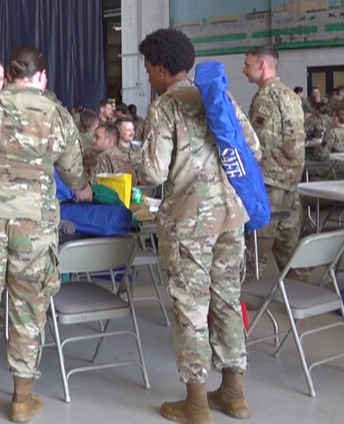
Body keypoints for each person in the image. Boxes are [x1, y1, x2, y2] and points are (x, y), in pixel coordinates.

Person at [0, 45, 91, 423]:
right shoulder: (57, 114)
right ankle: (22, 401)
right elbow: (75, 176)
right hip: (35, 222)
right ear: (42, 76)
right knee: (29, 304)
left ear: (8, 76)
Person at [137, 28, 258, 424]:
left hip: (189, 221)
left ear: (159, 68)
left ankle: (196, 403)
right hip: (230, 215)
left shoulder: (166, 107)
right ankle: (234, 394)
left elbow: (153, 170)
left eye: (148, 69)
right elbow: (251, 148)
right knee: (227, 300)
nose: (148, 77)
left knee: (191, 307)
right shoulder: (219, 97)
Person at [242, 45, 306, 279]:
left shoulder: (266, 98)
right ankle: (302, 298)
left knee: (254, 253)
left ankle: (239, 311)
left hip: (269, 186)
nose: (244, 70)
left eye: (247, 65)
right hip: (291, 183)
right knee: (290, 254)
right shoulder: (290, 95)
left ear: (262, 65)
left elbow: (260, 145)